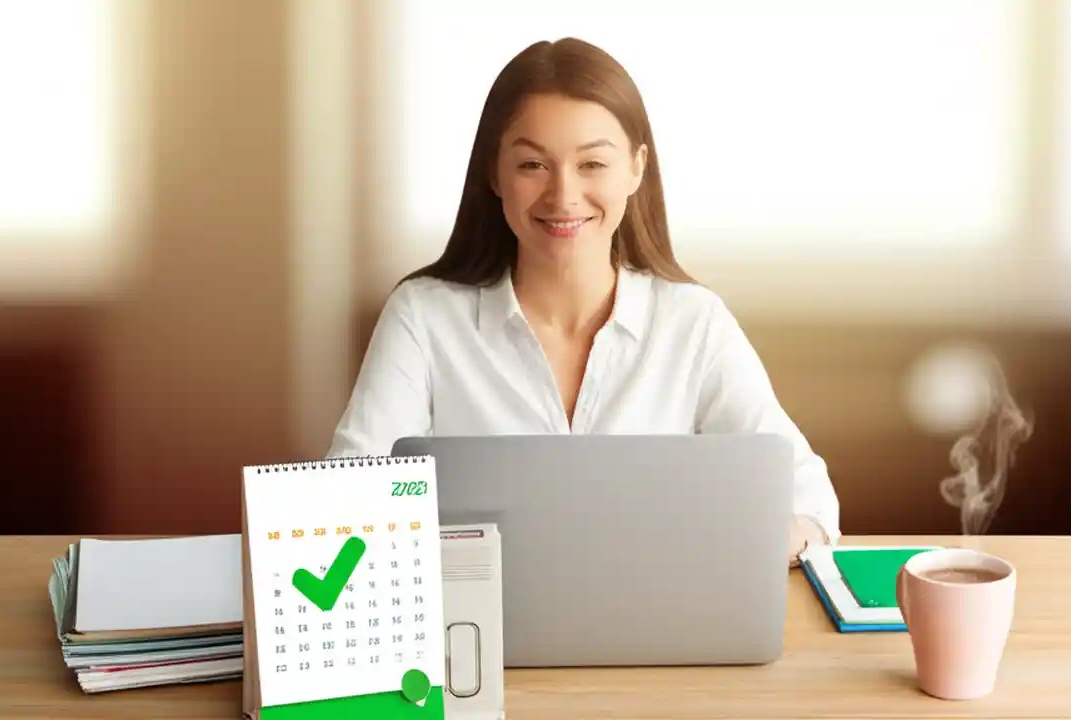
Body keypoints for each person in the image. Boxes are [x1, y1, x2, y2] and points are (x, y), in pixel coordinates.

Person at [327, 37, 839, 566]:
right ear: (493, 172)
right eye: (533, 165)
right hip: (476, 615)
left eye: (592, 164)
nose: (564, 196)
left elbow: (810, 502)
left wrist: (732, 547)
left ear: (636, 168)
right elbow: (347, 499)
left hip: (654, 613)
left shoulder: (693, 323)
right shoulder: (423, 316)